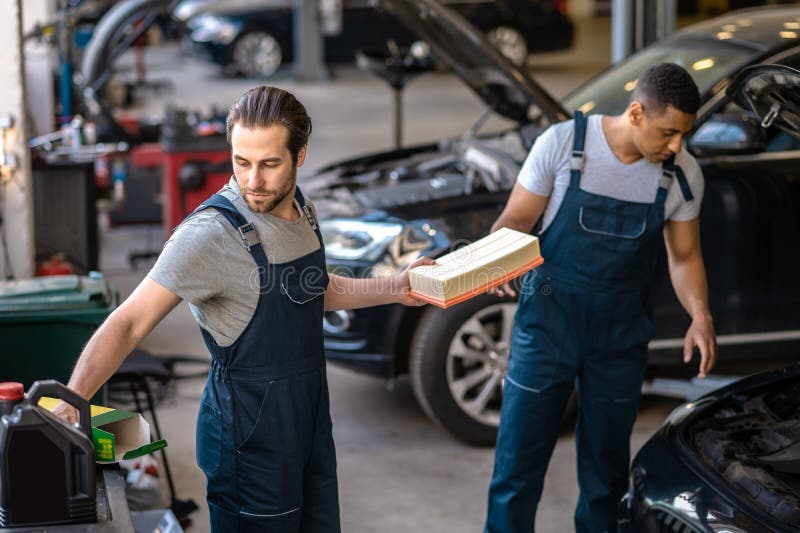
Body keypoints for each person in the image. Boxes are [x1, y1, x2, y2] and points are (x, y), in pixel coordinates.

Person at [55, 86, 431, 532]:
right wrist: (75, 398)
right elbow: (130, 321)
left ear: (299, 155)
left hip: (309, 423)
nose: (253, 181)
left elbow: (316, 290)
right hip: (248, 439)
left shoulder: (303, 210)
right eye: (241, 162)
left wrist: (395, 288)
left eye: (269, 164)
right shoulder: (210, 235)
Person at [484, 63, 717, 532]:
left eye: (684, 135)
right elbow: (515, 220)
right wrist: (499, 256)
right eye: (668, 132)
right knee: (516, 467)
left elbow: (684, 256)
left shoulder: (682, 174)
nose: (676, 146)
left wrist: (700, 313)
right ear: (636, 113)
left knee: (606, 476)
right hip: (546, 327)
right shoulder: (562, 145)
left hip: (619, 337)